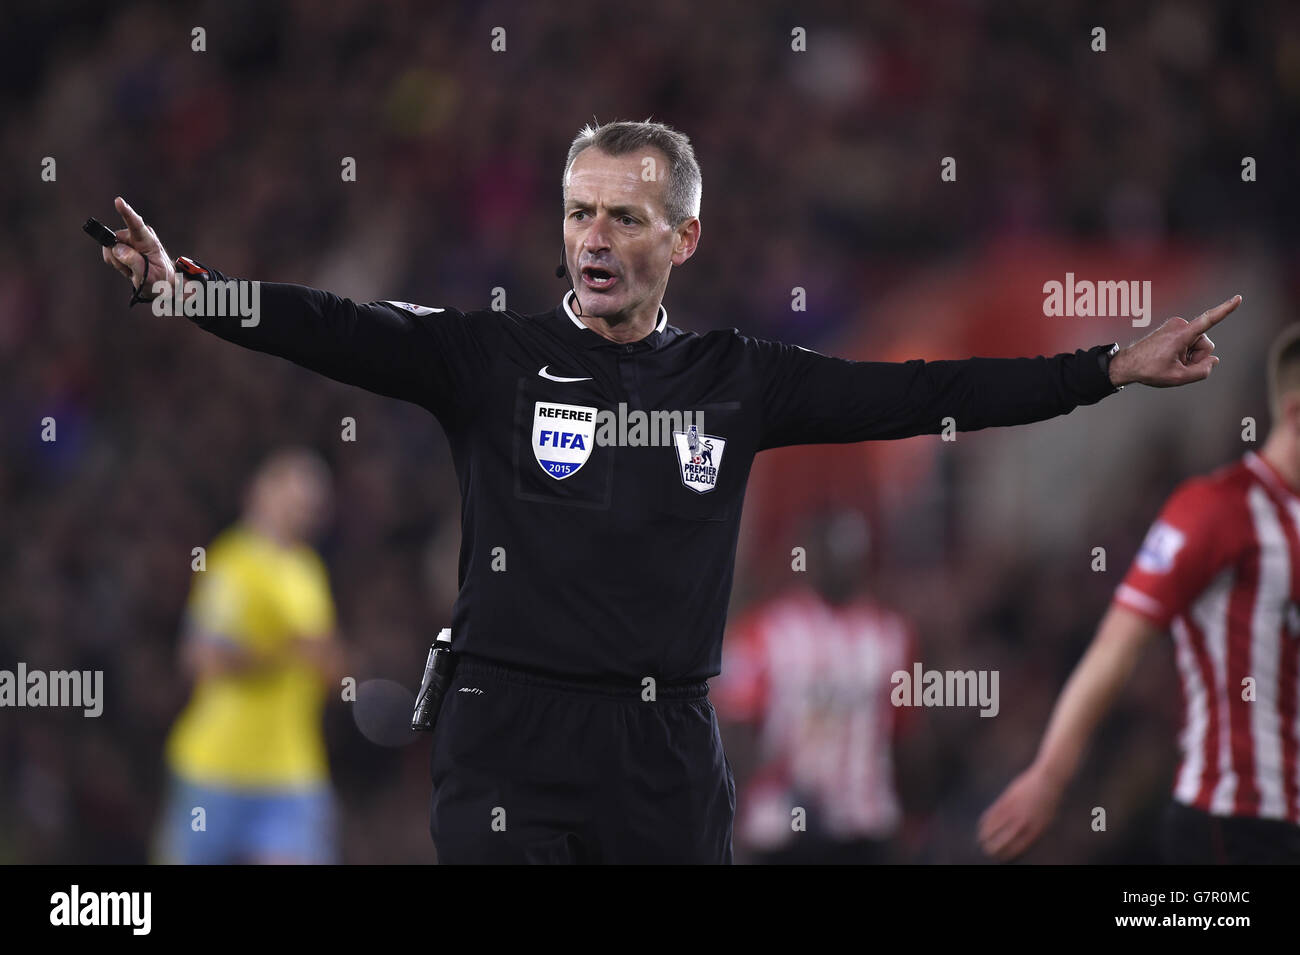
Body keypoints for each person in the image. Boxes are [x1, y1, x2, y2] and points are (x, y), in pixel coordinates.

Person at [103, 119, 1236, 864]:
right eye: (577, 212)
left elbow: (925, 391)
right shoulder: (487, 359)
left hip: (663, 754)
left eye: (623, 217)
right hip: (509, 739)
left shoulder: (737, 381)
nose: (592, 238)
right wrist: (192, 293)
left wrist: (1102, 369)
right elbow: (334, 328)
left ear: (682, 236)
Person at [979, 324, 1300, 865]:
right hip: (1234, 825)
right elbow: (1116, 646)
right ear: (1294, 413)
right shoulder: (1216, 508)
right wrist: (1051, 775)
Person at [156, 448, 347, 864]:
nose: (304, 512)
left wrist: (331, 665)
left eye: (312, 505)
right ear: (261, 493)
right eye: (295, 500)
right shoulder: (232, 563)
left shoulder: (306, 568)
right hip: (219, 768)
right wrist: (284, 655)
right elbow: (199, 658)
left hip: (292, 770)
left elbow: (327, 664)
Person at [715, 510, 915, 864]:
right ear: (808, 554)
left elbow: (905, 735)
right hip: (782, 825)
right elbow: (732, 729)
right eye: (828, 552)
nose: (837, 564)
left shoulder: (890, 636)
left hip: (865, 824)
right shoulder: (765, 633)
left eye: (847, 554)